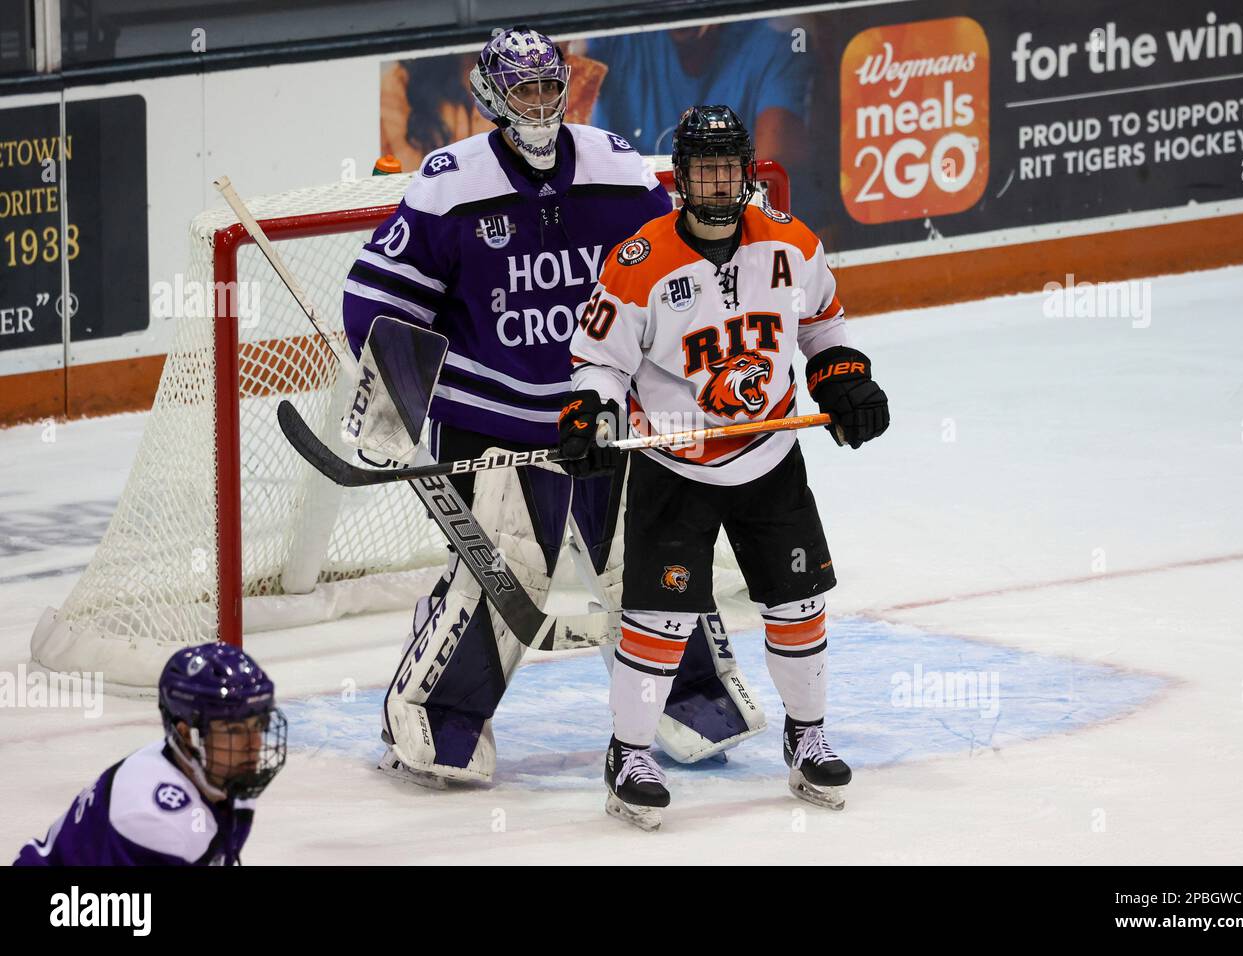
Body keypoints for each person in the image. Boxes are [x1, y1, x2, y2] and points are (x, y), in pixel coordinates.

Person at [344, 28, 767, 787]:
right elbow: (384, 295)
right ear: (491, 94)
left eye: (549, 86)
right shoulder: (450, 181)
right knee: (506, 573)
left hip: (602, 408)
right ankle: (440, 717)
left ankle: (687, 694)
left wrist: (696, 366)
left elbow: (670, 264)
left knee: (650, 558)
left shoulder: (615, 165)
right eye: (524, 89)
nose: (540, 102)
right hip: (493, 418)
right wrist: (391, 403)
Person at [560, 105, 890, 828]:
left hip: (771, 454)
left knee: (798, 606)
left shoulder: (792, 245)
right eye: (703, 168)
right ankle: (629, 753)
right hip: (675, 463)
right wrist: (589, 413)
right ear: (680, 177)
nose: (717, 180)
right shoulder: (639, 262)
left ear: (747, 172)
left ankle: (807, 737)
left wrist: (840, 376)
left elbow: (823, 322)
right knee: (657, 620)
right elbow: (599, 361)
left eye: (729, 166)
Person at [14, 643, 286, 865]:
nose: (254, 744)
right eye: (235, 730)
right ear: (187, 735)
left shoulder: (228, 779)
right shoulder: (153, 819)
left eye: (258, 725)